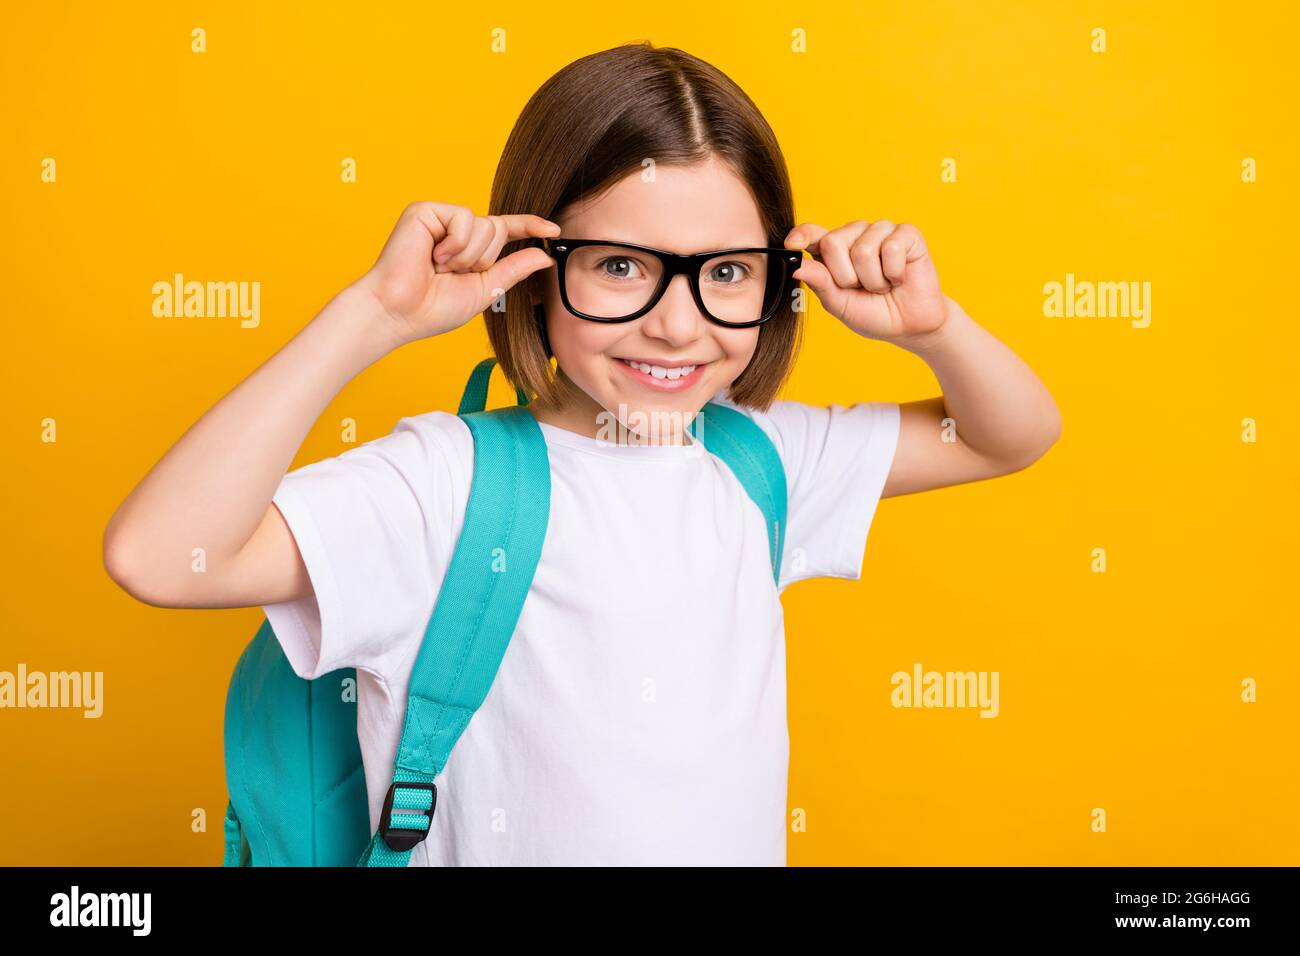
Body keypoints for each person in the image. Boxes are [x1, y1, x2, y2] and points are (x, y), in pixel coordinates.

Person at [103, 42, 1060, 865]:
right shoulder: (443, 486)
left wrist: (933, 329)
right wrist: (371, 319)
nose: (678, 325)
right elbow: (159, 555)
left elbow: (1009, 433)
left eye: (726, 273)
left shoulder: (761, 461)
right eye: (619, 267)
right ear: (534, 270)